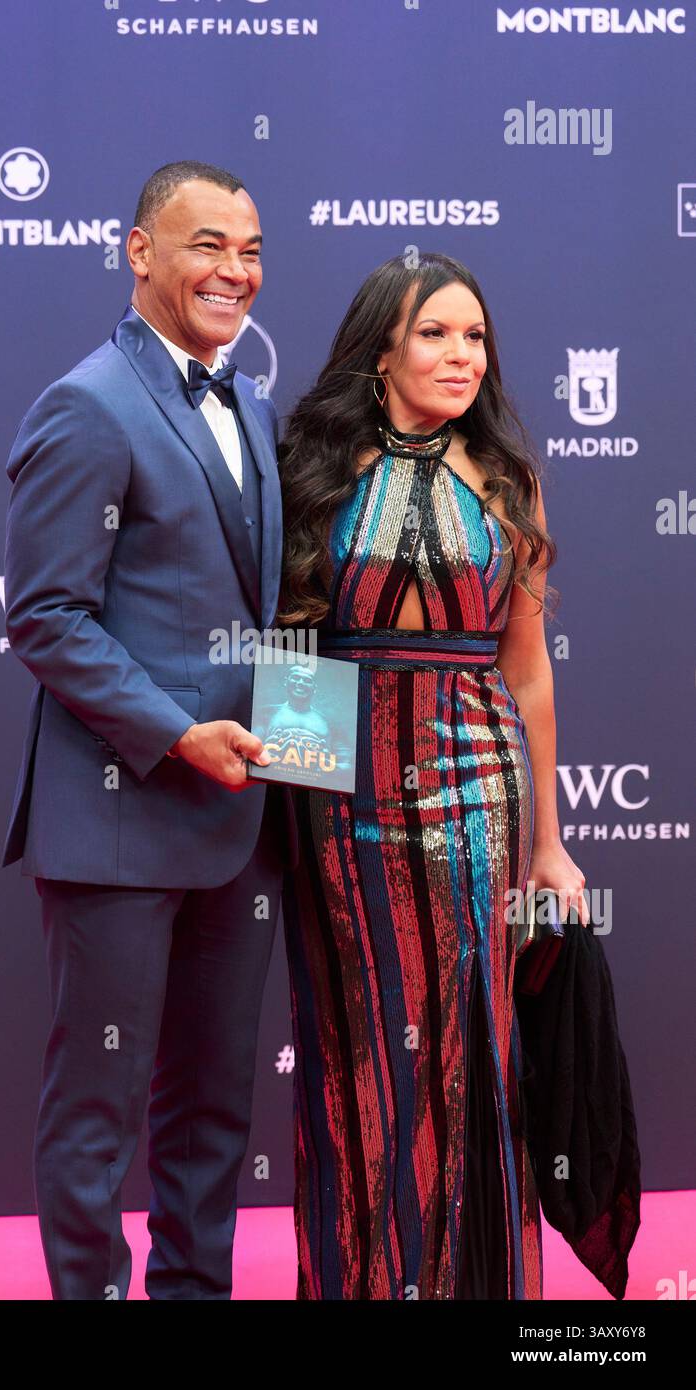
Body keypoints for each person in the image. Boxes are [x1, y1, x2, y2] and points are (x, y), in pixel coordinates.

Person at [0, 160, 298, 1300]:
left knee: (212, 1105)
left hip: (237, 821)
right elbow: (45, 616)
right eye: (206, 244)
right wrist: (177, 734)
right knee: (97, 1111)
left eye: (251, 249)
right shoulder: (87, 402)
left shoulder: (248, 401)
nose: (235, 270)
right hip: (122, 821)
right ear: (137, 252)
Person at [277, 251, 589, 1300]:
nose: (461, 356)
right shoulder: (311, 464)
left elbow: (527, 669)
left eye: (474, 337)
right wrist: (293, 801)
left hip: (475, 783)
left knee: (469, 1045)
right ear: (379, 351)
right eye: (434, 334)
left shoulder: (504, 474)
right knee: (354, 1043)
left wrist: (546, 839)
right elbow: (291, 648)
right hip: (339, 797)